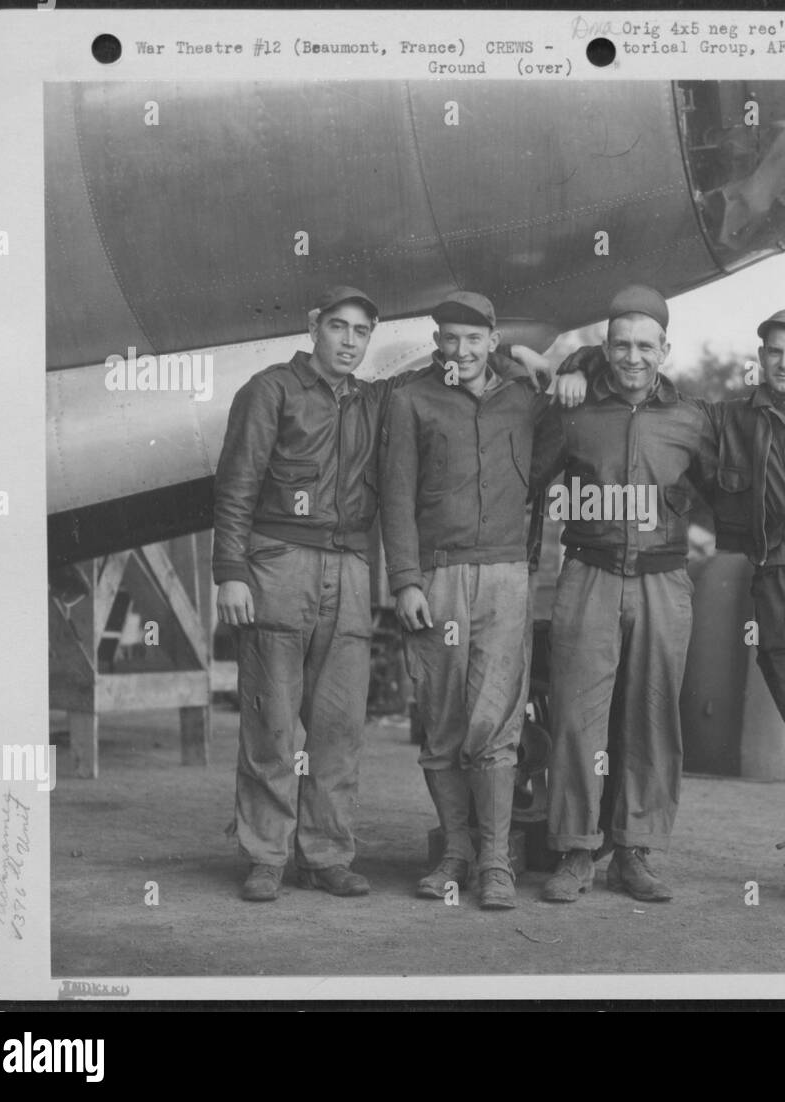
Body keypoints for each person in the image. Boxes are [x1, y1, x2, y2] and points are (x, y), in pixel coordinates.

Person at [556, 308, 785, 907]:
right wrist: (580, 360)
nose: (784, 363)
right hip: (780, 576)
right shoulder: (730, 420)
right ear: (760, 356)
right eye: (774, 352)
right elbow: (643, 386)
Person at [213, 285, 413, 903]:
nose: (349, 341)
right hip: (279, 563)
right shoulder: (269, 390)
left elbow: (450, 367)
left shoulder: (375, 401)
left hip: (351, 568)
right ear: (313, 327)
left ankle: (326, 855)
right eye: (338, 327)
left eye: (361, 331)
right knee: (272, 721)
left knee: (339, 725)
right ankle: (266, 856)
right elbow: (237, 484)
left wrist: (562, 362)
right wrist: (231, 571)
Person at [530, 286, 718, 904]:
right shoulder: (575, 408)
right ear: (603, 348)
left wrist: (725, 547)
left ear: (666, 349)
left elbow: (729, 492)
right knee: (576, 718)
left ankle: (635, 852)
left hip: (664, 582)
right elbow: (531, 480)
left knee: (653, 715)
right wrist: (570, 366)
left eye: (645, 345)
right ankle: (577, 851)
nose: (632, 356)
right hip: (587, 574)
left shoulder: (692, 418)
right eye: (619, 345)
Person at [380, 292, 545, 910]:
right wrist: (405, 582)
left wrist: (551, 367)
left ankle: (496, 862)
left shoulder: (525, 398)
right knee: (444, 720)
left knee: (496, 724)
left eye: (473, 339)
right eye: (449, 339)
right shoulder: (410, 399)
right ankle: (454, 853)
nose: (460, 351)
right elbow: (395, 498)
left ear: (494, 339)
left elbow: (561, 447)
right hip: (438, 578)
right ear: (436, 341)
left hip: (504, 577)